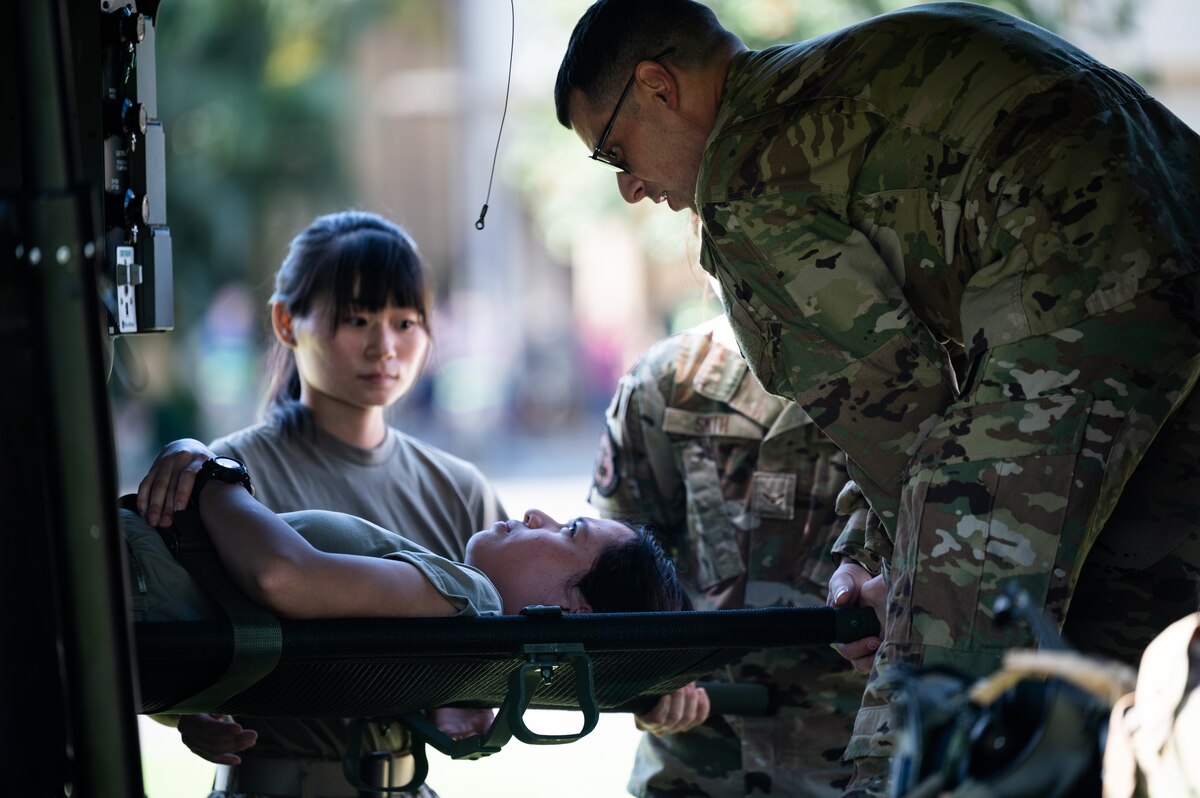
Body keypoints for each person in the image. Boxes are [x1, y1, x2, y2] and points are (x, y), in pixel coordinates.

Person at [555, 2, 1200, 794]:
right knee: (1137, 644)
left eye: (614, 151)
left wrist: (894, 577)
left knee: (925, 700)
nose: (628, 187)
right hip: (1156, 295)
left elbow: (903, 422)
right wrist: (874, 553)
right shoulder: (838, 81)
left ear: (658, 87)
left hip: (1078, 314)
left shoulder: (748, 176)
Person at [141, 210, 508, 797]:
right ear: (287, 322)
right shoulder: (224, 478)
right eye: (356, 319)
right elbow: (167, 625)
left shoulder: (461, 489)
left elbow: (510, 634)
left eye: (405, 321)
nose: (383, 346)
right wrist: (188, 713)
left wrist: (472, 694)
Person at [589, 312, 866, 797]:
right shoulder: (671, 379)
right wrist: (642, 681)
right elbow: (610, 572)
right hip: (698, 762)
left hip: (859, 760)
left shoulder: (906, 377)